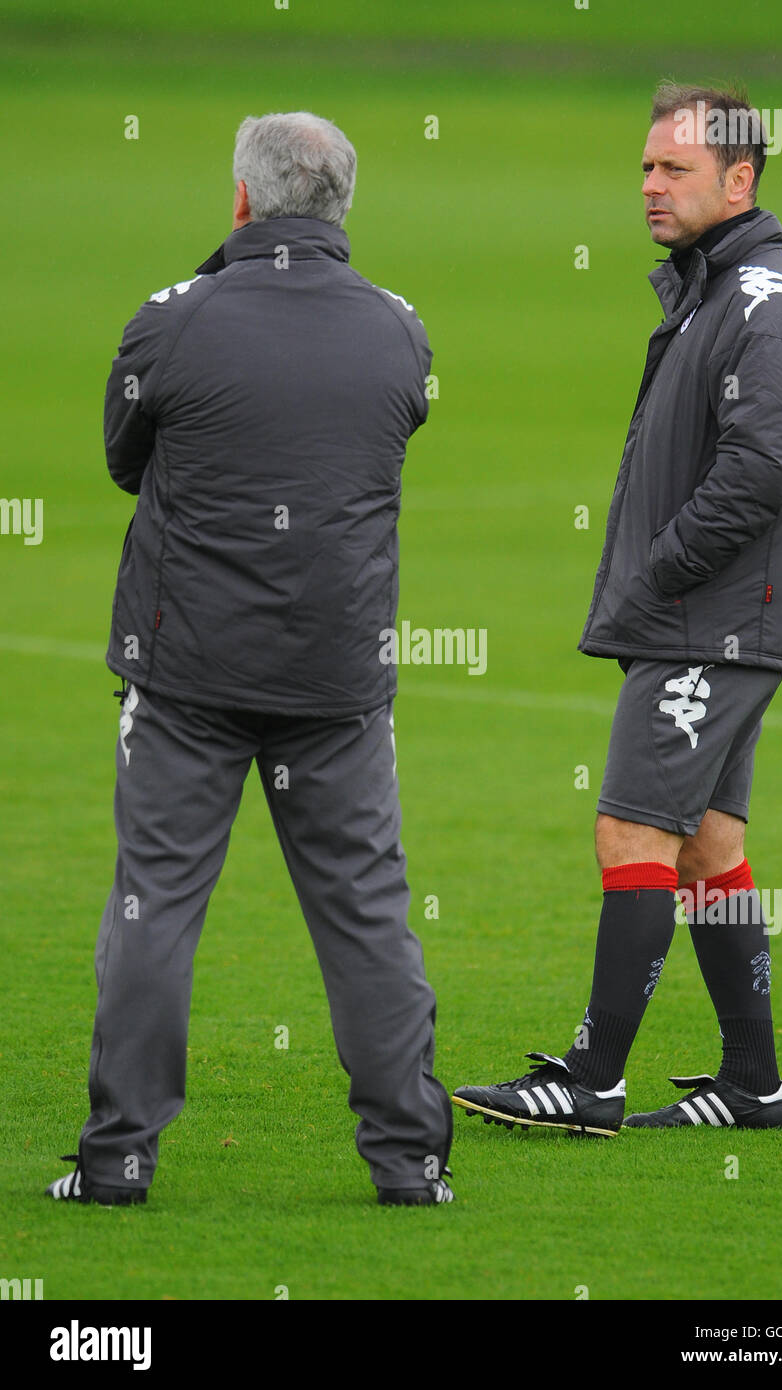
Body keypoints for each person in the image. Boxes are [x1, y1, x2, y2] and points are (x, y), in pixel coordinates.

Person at [46, 111, 454, 1207]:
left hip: (188, 676)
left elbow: (123, 461)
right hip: (337, 683)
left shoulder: (172, 321)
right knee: (367, 912)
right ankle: (409, 1161)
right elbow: (386, 433)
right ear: (343, 207)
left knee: (153, 907)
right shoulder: (398, 330)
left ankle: (120, 1156)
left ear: (238, 198)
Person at [453, 83, 782, 1135]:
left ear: (738, 178)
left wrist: (660, 571)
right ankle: (751, 1084)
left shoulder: (756, 300)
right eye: (643, 169)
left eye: (671, 170)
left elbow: (762, 467)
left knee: (630, 825)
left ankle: (590, 1079)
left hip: (705, 621)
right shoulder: (713, 291)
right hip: (717, 617)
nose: (649, 187)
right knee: (709, 840)